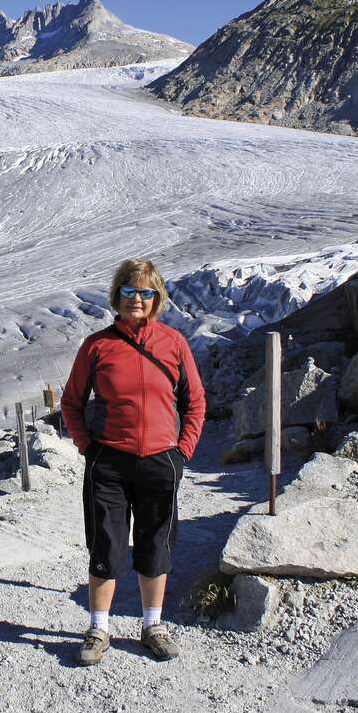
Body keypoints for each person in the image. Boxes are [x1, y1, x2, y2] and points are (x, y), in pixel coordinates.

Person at [60, 258, 206, 665]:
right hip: (109, 462)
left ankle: (152, 626)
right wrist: (88, 447)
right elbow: (71, 403)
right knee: (106, 545)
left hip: (161, 461)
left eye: (145, 292)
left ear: (157, 298)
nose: (136, 300)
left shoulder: (174, 343)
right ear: (117, 296)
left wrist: (183, 451)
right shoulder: (97, 346)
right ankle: (98, 628)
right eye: (129, 291)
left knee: (155, 545)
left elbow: (194, 402)